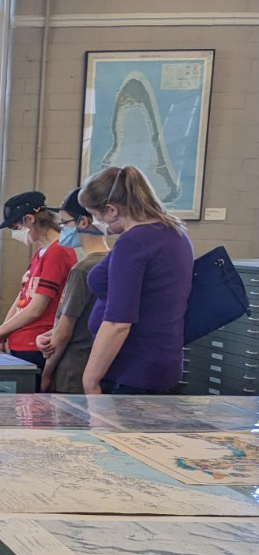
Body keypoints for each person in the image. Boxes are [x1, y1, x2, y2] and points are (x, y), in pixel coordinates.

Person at [77, 165, 193, 394]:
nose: (96, 221)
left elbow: (118, 322)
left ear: (111, 210)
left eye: (95, 215)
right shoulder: (173, 232)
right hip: (160, 363)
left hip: (130, 371)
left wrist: (90, 381)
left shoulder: (133, 243)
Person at [0, 191, 76, 383]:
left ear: (29, 219)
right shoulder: (41, 252)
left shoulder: (58, 251)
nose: (15, 232)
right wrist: (2, 334)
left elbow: (36, 308)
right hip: (22, 343)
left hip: (37, 345)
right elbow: (22, 298)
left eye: (15, 226)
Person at [35, 189, 111, 393]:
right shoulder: (114, 263)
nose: (61, 229)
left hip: (73, 372)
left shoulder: (82, 270)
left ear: (83, 222)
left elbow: (64, 332)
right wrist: (50, 334)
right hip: (102, 368)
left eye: (64, 223)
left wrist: (47, 374)